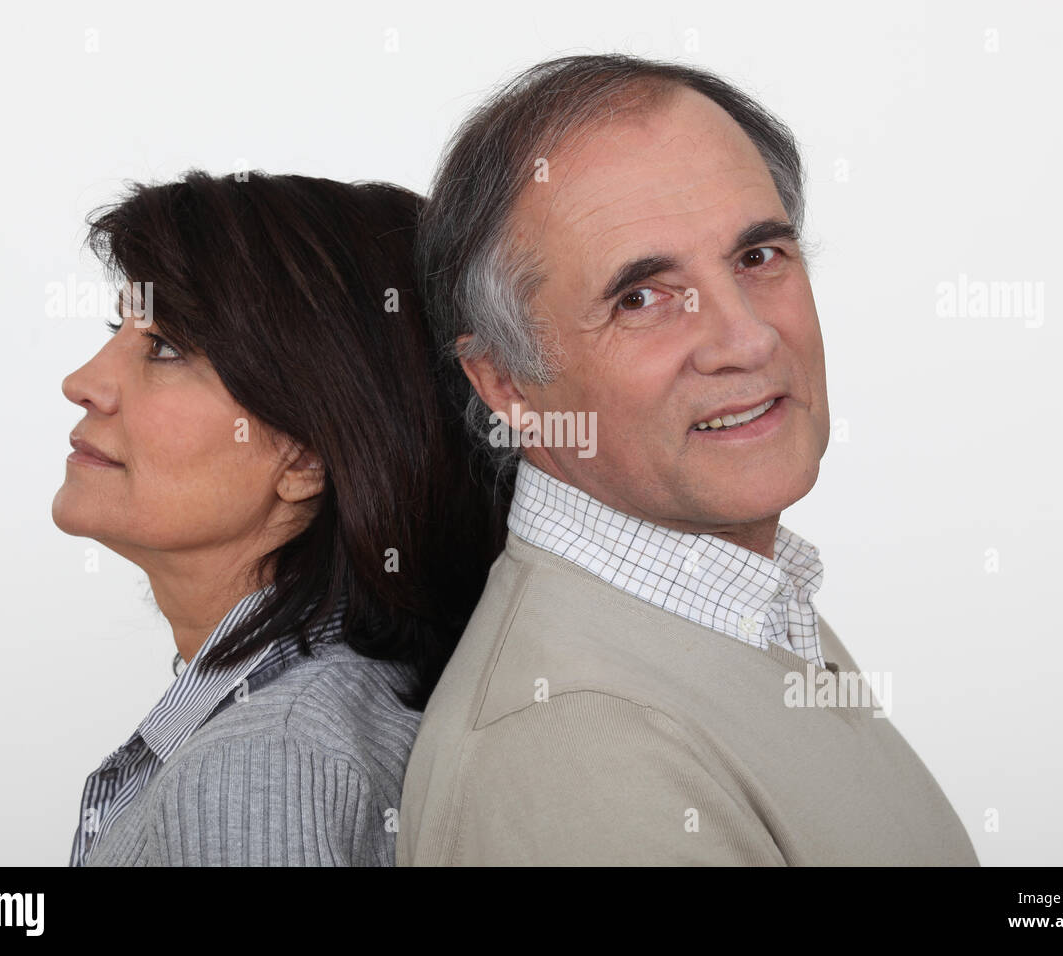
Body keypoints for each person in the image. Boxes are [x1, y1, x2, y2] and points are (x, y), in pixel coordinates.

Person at [398, 54, 979, 865]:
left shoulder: (740, 599)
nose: (747, 337)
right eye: (641, 297)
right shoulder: (573, 757)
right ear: (504, 381)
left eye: (757, 257)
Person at [53, 169, 504, 866]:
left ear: (305, 457)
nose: (82, 382)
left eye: (165, 346)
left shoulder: (267, 763)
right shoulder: (313, 718)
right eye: (120, 327)